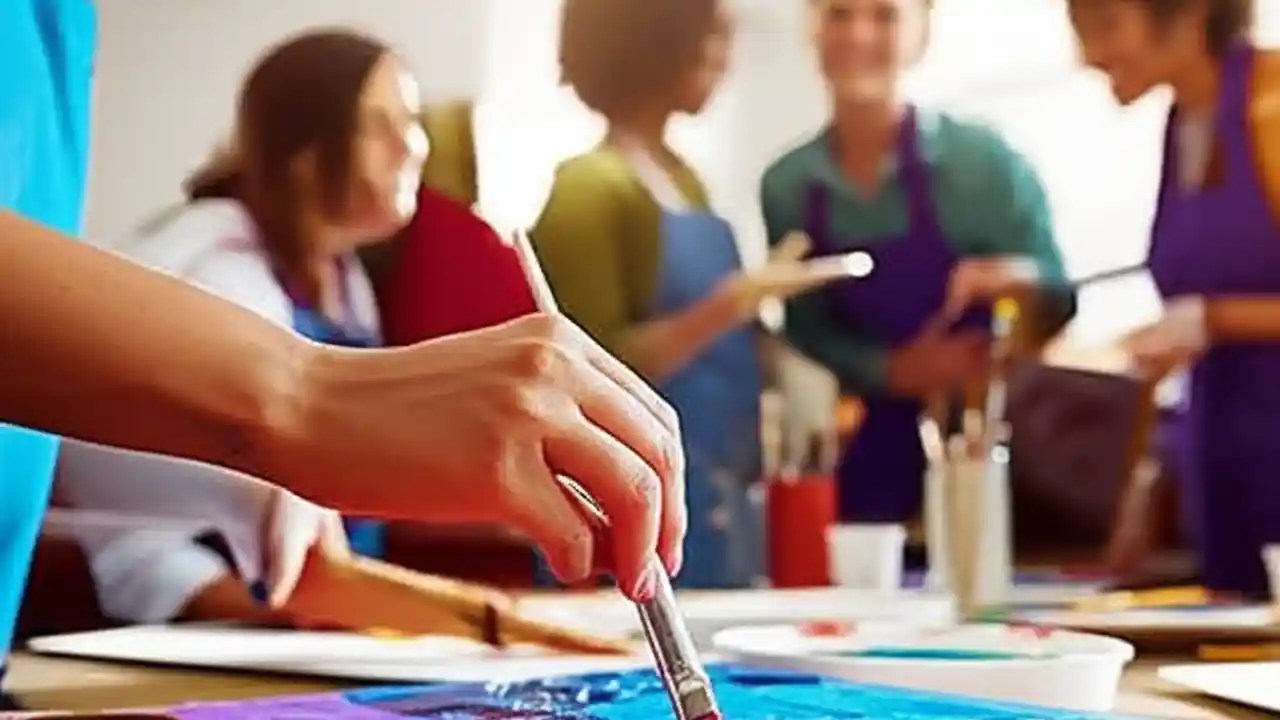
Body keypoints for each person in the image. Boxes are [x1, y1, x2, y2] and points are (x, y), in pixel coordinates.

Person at [0, 3, 682, 699]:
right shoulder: (211, 263)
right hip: (184, 637)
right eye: (381, 125)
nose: (413, 146)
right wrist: (309, 397)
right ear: (305, 151)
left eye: (412, 123)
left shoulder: (344, 280)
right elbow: (156, 506)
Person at [532, 0, 839, 588]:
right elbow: (585, 371)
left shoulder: (684, 178)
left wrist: (788, 364)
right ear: (659, 41)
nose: (727, 58)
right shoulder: (588, 190)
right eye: (715, 37)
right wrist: (730, 303)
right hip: (624, 514)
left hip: (715, 504)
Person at [761, 0, 1075, 526]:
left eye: (884, 15)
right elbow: (806, 330)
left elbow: (1058, 294)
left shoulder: (985, 164)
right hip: (868, 466)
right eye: (839, 13)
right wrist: (892, 371)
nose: (859, 34)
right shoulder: (786, 188)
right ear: (812, 30)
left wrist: (1013, 278)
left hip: (986, 454)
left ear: (921, 33)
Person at [1068, 0, 1280, 596]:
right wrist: (1152, 478)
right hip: (1227, 484)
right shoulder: (1185, 122)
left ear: (1190, 13)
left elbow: (1209, 317)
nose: (1089, 55)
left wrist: (1213, 318)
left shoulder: (1273, 102)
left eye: (1106, 25)